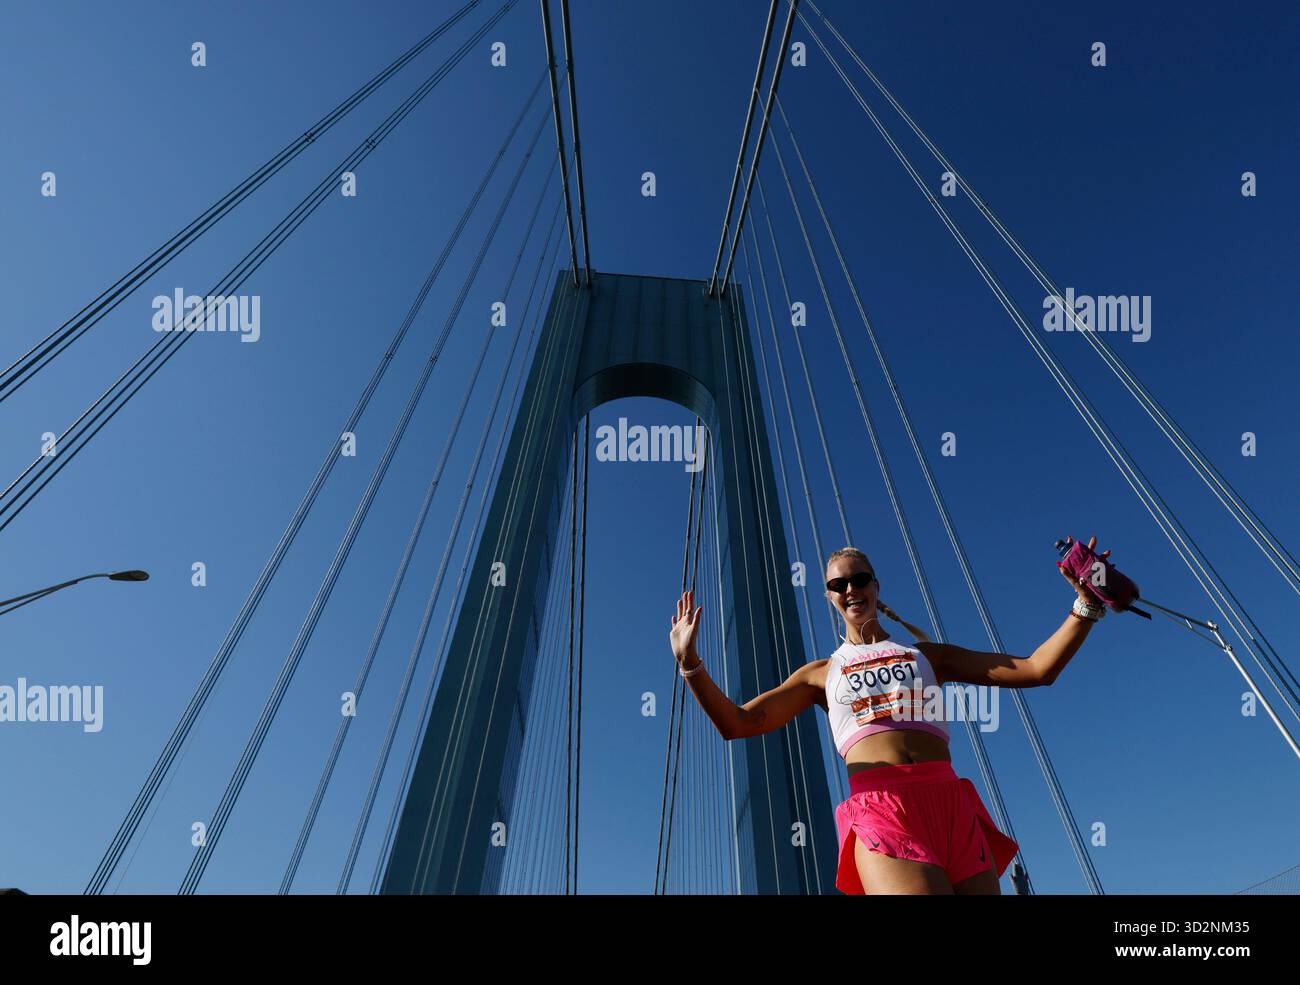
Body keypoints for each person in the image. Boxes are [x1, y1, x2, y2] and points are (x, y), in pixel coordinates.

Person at [668, 536, 1108, 895]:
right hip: (883, 811)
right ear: (829, 597)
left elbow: (1036, 669)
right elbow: (739, 724)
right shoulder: (821, 674)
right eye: (838, 586)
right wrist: (691, 665)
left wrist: (1085, 606)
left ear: (876, 586)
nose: (850, 590)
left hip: (949, 801)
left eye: (859, 580)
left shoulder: (927, 655)